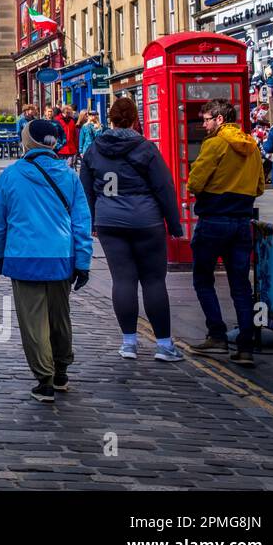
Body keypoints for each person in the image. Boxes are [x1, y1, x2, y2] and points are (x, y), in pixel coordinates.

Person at [0, 119, 93, 403]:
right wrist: (83, 262)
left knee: (33, 321)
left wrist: (0, 254)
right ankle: (61, 371)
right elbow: (82, 223)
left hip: (24, 257)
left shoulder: (11, 176)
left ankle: (44, 379)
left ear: (27, 142)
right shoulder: (69, 176)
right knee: (60, 317)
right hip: (61, 256)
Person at [79, 97, 185, 362]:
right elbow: (164, 187)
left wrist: (92, 221)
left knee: (122, 280)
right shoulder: (146, 148)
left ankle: (128, 343)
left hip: (109, 222)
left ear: (110, 120)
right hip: (146, 221)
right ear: (136, 120)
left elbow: (86, 191)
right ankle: (163, 345)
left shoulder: (94, 150)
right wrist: (174, 224)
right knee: (153, 280)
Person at [187, 100, 265, 366]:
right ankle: (246, 347)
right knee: (241, 286)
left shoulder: (215, 144)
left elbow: (195, 182)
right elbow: (260, 187)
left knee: (202, 278)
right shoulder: (252, 145)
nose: (204, 124)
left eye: (207, 119)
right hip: (242, 222)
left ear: (220, 119)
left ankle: (217, 335)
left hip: (214, 221)